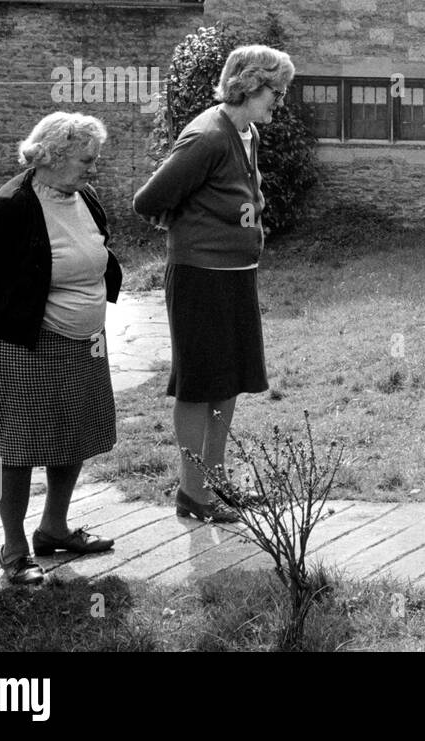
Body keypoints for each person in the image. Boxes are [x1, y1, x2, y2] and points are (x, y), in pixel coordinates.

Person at [0, 112, 122, 585]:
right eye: (87, 160)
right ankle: (13, 549)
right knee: (16, 449)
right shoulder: (10, 207)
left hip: (82, 344)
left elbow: (95, 249)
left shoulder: (82, 196)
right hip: (22, 344)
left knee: (74, 435)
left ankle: (54, 528)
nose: (94, 169)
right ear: (53, 156)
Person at [133, 44, 293, 523]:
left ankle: (217, 486)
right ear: (247, 84)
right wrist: (185, 223)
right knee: (199, 386)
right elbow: (149, 199)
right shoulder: (207, 135)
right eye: (275, 91)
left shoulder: (246, 134)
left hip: (235, 276)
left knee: (228, 384)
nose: (278, 102)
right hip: (200, 279)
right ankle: (192, 493)